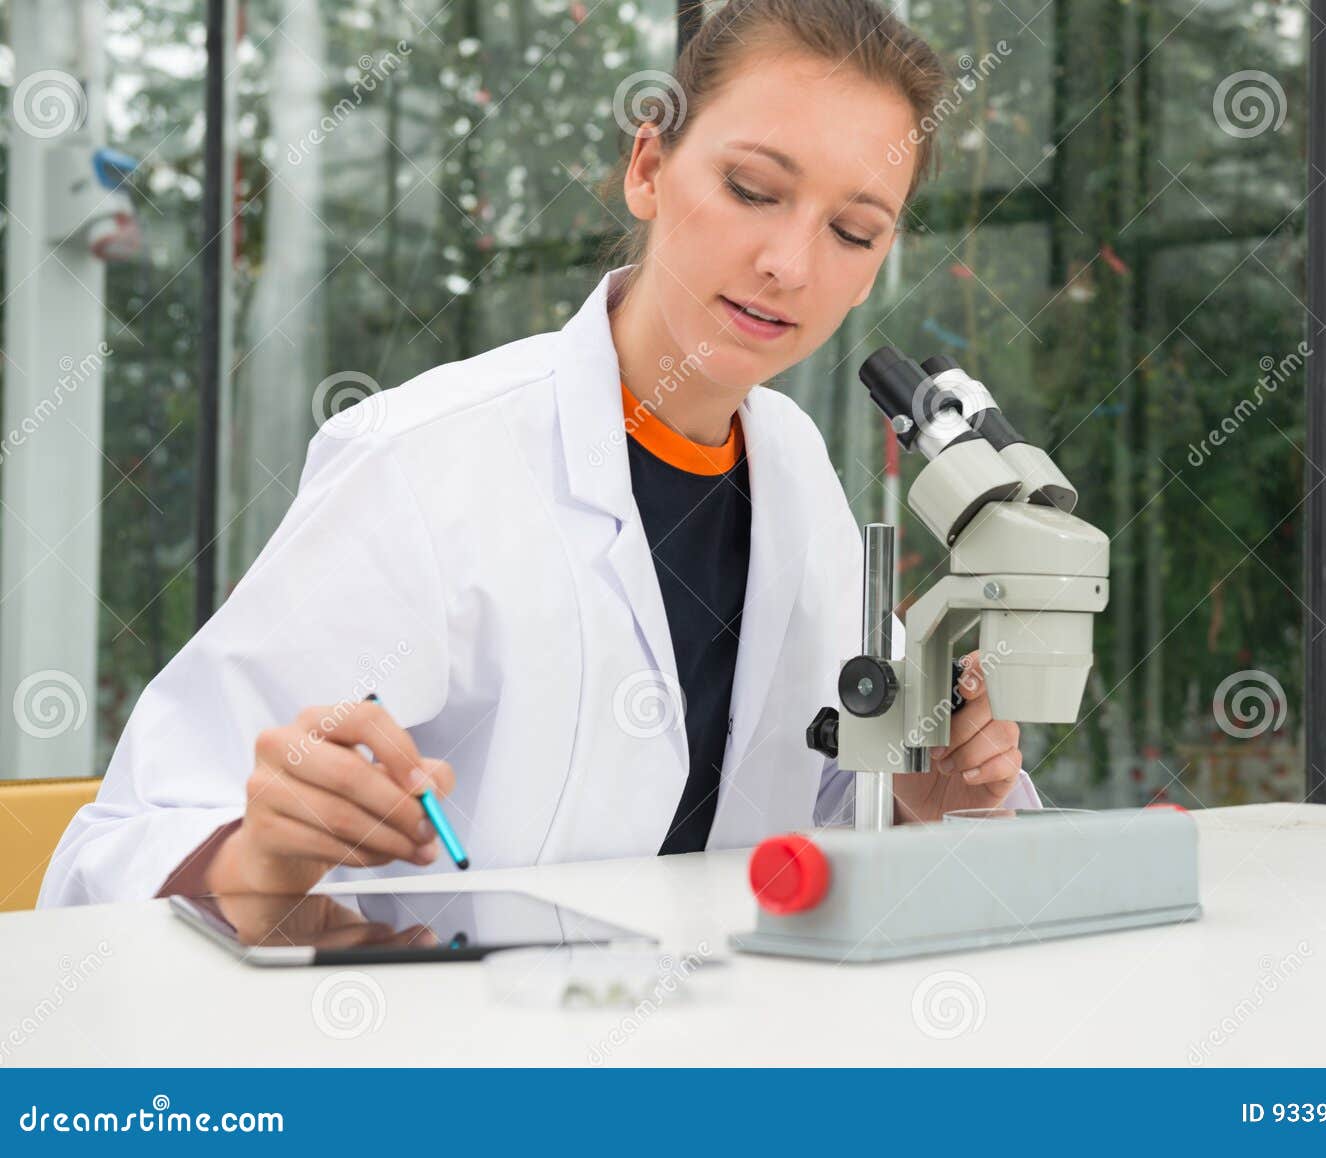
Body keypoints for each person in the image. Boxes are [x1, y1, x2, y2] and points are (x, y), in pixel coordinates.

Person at [39, 0, 1040, 908]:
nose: (790, 265)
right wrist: (250, 859)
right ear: (647, 167)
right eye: (751, 189)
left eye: (854, 232)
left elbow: (787, 824)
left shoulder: (798, 474)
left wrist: (918, 797)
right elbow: (117, 849)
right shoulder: (421, 462)